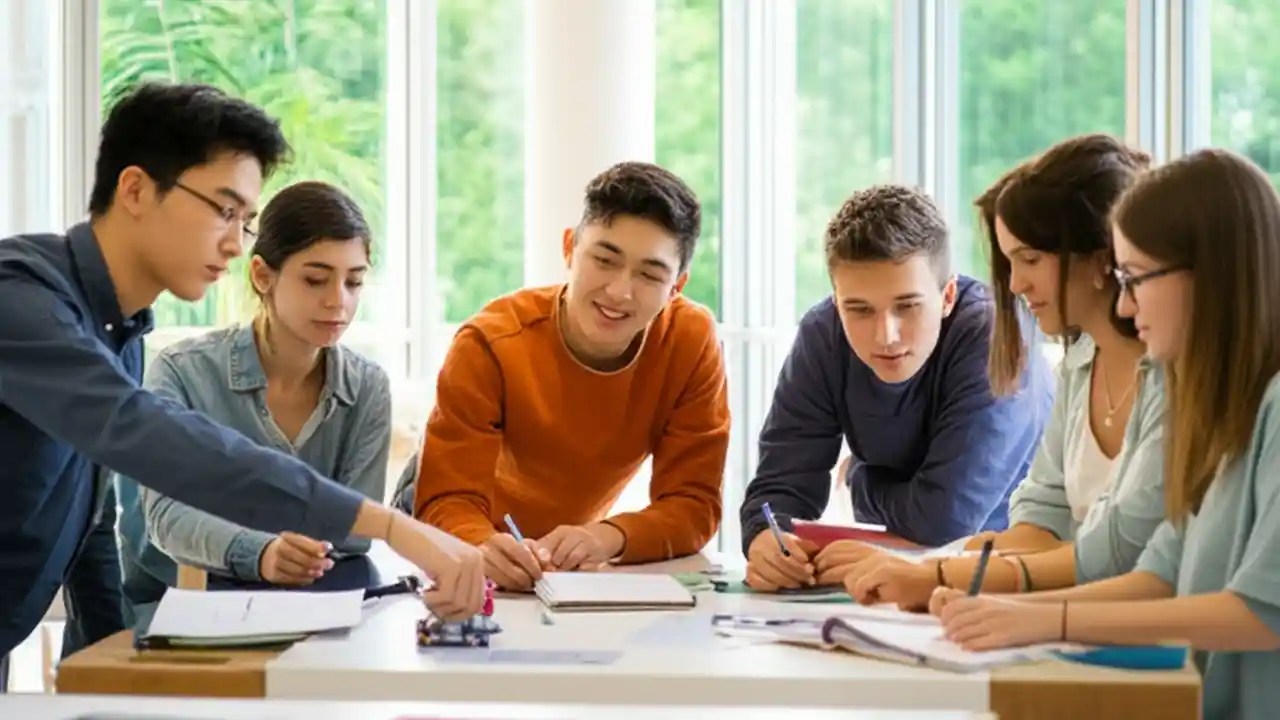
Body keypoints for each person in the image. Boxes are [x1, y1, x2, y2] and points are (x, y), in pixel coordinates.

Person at [0, 82, 482, 661]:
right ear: (135, 189)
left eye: (245, 219)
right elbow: (156, 439)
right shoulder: (21, 299)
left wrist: (106, 667)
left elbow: (92, 525)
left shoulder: (118, 333)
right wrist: (392, 526)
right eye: (223, 210)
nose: (234, 244)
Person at [930, 148, 1280, 720]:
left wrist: (1046, 616)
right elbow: (1157, 577)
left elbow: (1261, 614)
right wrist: (1003, 608)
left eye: (1137, 279)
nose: (1123, 303)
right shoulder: (1215, 409)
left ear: (1209, 271)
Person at [845, 134, 1166, 609]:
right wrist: (916, 569)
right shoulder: (1080, 365)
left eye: (1030, 260)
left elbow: (1117, 552)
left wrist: (939, 573)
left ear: (1099, 257)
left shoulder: (1170, 374)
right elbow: (1041, 519)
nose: (1015, 284)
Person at [414, 161, 729, 591]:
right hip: (459, 531)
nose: (620, 291)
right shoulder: (490, 342)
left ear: (678, 286)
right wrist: (481, 544)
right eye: (604, 259)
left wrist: (606, 537)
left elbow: (693, 504)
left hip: (565, 560)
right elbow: (445, 500)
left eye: (650, 275)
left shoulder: (691, 341)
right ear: (569, 248)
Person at [739, 184, 1054, 592]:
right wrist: (769, 540)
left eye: (907, 306)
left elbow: (942, 521)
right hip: (896, 572)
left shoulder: (996, 336)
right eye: (859, 309)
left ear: (947, 296)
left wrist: (861, 481)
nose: (886, 335)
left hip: (1005, 579)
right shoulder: (823, 334)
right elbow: (779, 487)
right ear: (836, 301)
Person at [115, 181, 392, 614]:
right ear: (262, 275)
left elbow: (358, 532)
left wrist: (285, 550)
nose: (338, 301)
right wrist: (260, 552)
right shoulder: (181, 372)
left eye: (354, 282)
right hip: (184, 604)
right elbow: (167, 518)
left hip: (319, 603)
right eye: (316, 279)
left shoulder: (368, 386)